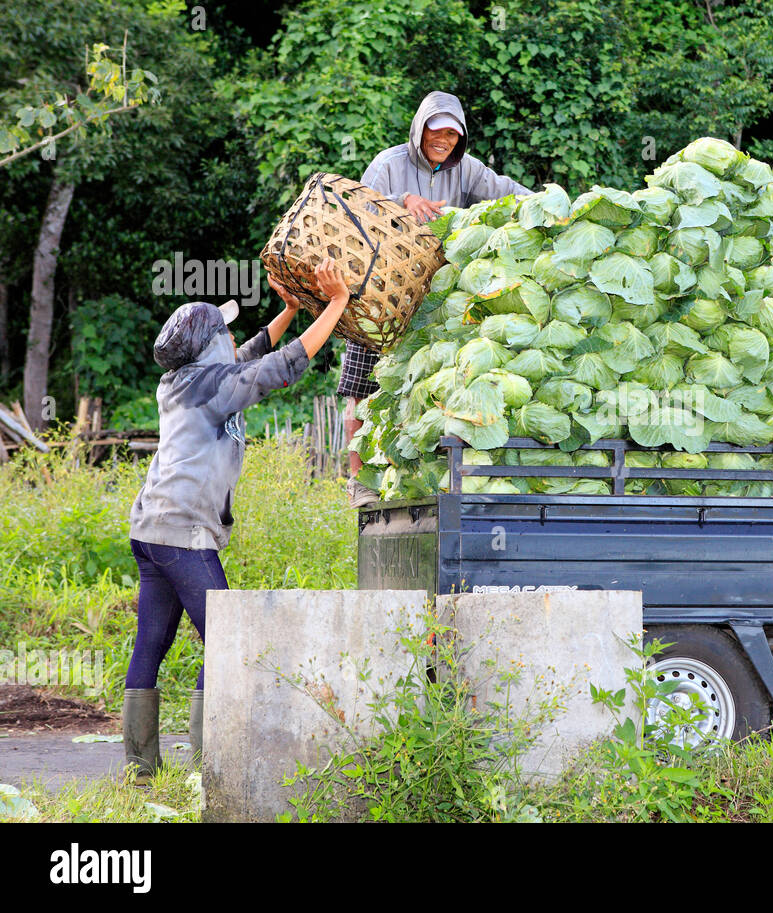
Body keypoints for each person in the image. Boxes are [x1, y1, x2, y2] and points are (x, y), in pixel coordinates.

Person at [122, 259, 351, 780]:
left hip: (152, 530)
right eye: (223, 329)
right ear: (209, 345)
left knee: (151, 646)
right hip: (182, 533)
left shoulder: (183, 379)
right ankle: (211, 767)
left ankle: (140, 769)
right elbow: (278, 367)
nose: (231, 334)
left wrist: (290, 309)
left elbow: (250, 354)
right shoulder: (212, 387)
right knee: (227, 640)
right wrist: (335, 304)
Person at [340, 90, 531, 507]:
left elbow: (509, 191)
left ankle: (409, 476)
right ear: (419, 129)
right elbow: (354, 212)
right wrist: (400, 202)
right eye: (435, 130)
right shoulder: (388, 165)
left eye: (452, 133)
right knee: (360, 387)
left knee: (419, 384)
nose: (443, 140)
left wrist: (550, 206)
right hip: (378, 292)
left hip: (429, 295)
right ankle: (358, 481)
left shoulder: (467, 171)